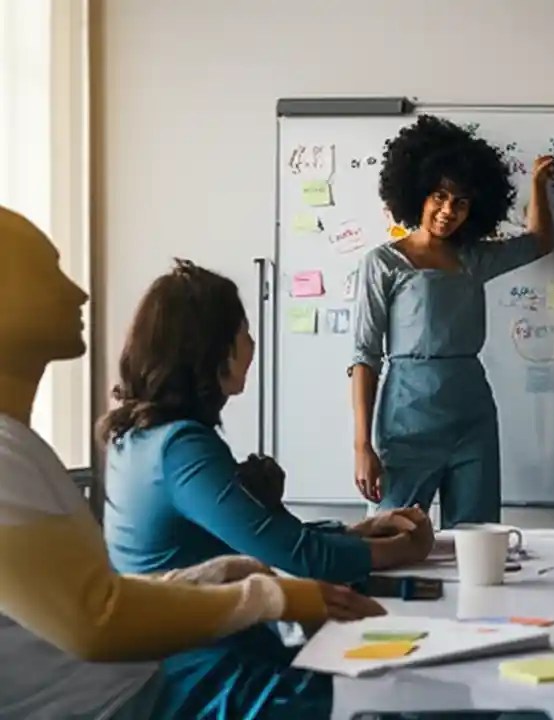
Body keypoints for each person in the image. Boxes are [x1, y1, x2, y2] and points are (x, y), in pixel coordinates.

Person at [0, 206, 384, 719]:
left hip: (150, 680)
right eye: (47, 272)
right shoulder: (169, 444)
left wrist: (218, 575)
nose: (79, 292)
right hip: (142, 699)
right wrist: (268, 597)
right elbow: (95, 620)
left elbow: (95, 595)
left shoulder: (24, 445)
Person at [103, 261, 435, 589]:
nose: (252, 345)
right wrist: (408, 548)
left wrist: (358, 530)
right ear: (216, 351)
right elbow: (302, 557)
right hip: (210, 640)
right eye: (244, 332)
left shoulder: (142, 438)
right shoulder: (181, 449)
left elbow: (265, 538)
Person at [350, 115, 554, 526]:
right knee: (391, 536)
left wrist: (536, 184)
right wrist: (362, 445)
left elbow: (540, 241)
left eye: (461, 202)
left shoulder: (473, 258)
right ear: (417, 193)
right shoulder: (384, 263)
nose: (448, 211)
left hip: (472, 417)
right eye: (439, 196)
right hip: (407, 419)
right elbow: (364, 356)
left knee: (476, 539)